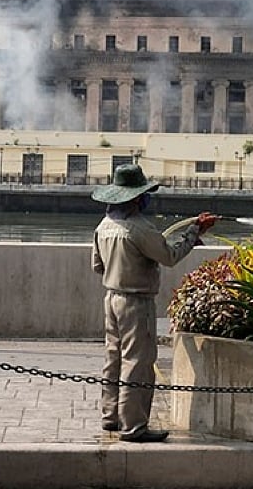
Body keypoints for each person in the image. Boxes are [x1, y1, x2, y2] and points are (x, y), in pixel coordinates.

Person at [90, 163, 217, 443]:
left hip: (110, 298)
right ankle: (134, 426)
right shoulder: (140, 228)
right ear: (137, 197)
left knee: (113, 358)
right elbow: (169, 256)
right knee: (137, 362)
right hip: (135, 301)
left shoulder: (104, 225)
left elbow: (97, 266)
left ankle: (111, 416)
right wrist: (194, 233)